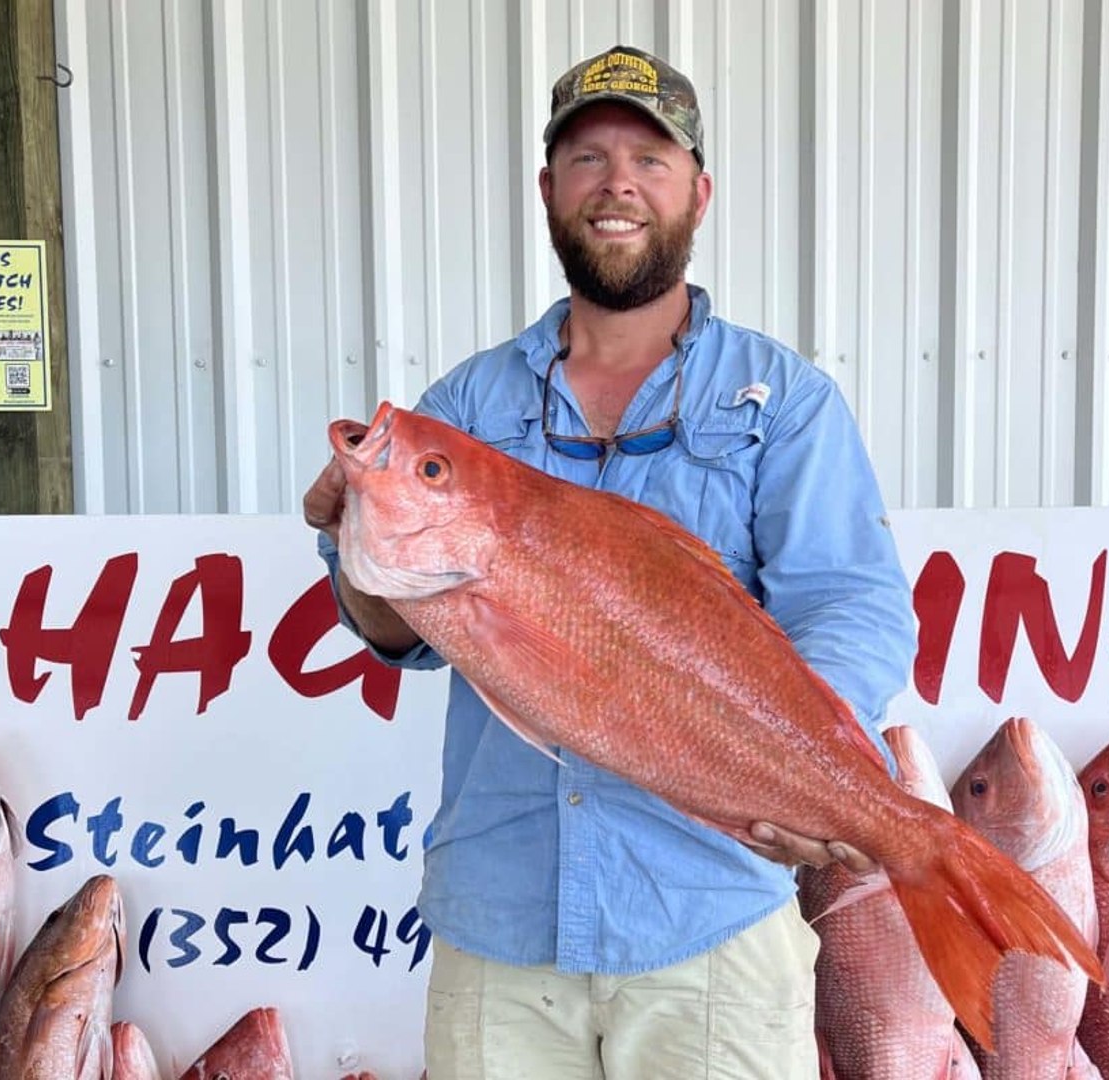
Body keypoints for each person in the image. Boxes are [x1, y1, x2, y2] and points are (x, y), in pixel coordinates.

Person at [304, 44, 916, 1080]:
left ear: (698, 193)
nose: (617, 184)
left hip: (713, 916)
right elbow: (401, 633)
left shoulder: (783, 400)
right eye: (588, 159)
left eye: (650, 159)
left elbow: (851, 602)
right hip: (500, 924)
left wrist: (807, 772)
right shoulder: (466, 404)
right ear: (549, 190)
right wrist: (356, 551)